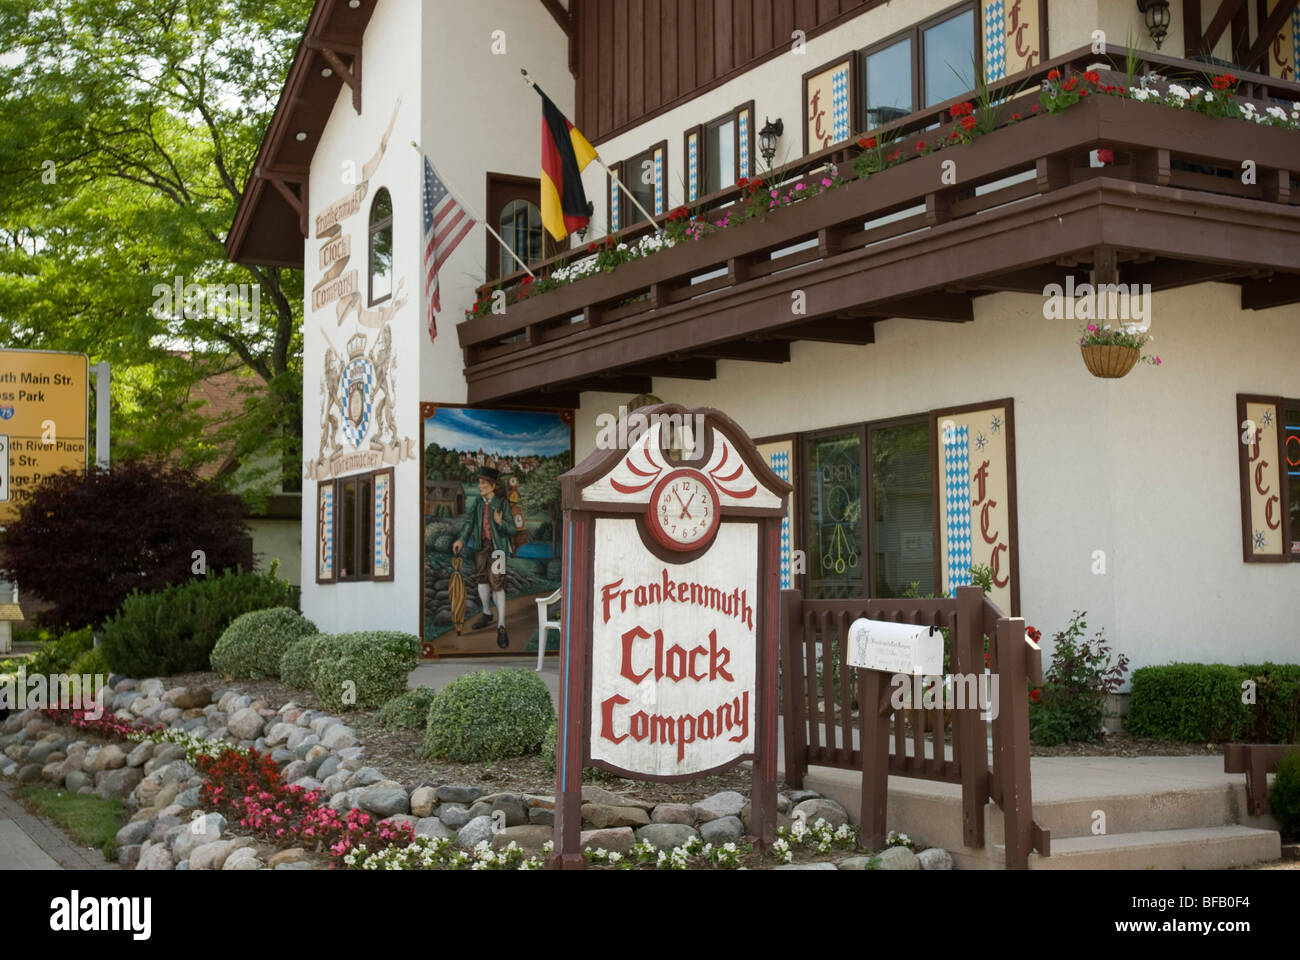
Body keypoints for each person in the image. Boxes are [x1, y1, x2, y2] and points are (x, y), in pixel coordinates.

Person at [452, 466, 516, 649]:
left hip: (498, 549)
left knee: (498, 584)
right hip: (481, 548)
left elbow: (512, 529)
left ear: (492, 485)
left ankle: (501, 626)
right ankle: (487, 612)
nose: (479, 486)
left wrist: (499, 522)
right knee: (482, 581)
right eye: (479, 483)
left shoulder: (502, 504)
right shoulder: (477, 503)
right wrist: (461, 540)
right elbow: (468, 523)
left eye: (482, 483)